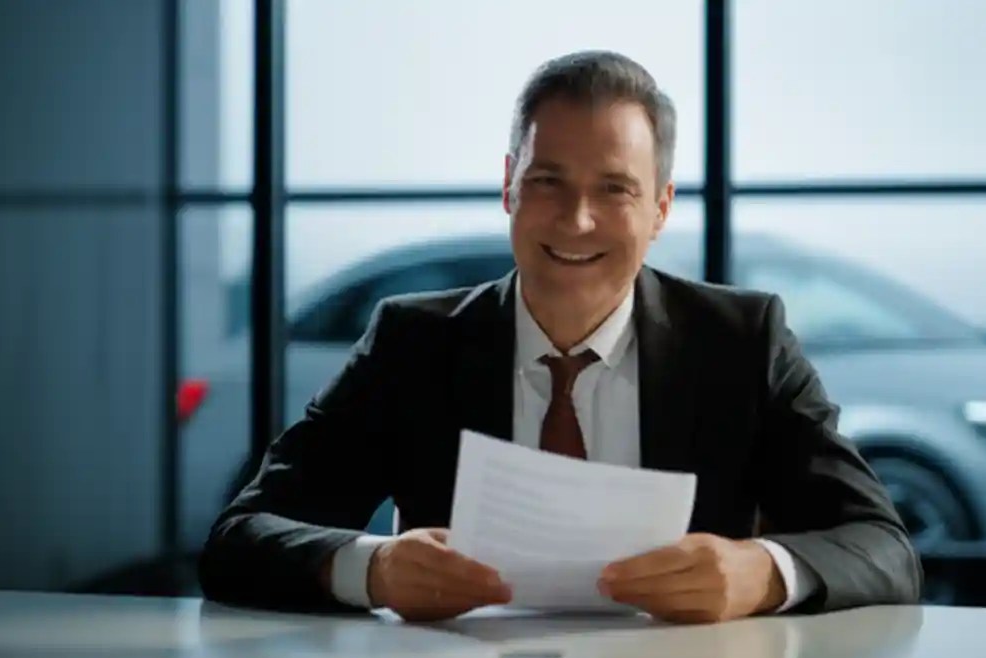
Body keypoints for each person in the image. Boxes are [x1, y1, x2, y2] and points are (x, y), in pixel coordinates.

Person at [198, 50, 921, 623]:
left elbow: (884, 548)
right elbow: (241, 537)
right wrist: (374, 568)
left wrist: (761, 574)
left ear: (661, 207)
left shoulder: (741, 341)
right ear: (509, 185)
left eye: (614, 188)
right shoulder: (412, 343)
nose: (576, 221)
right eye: (547, 182)